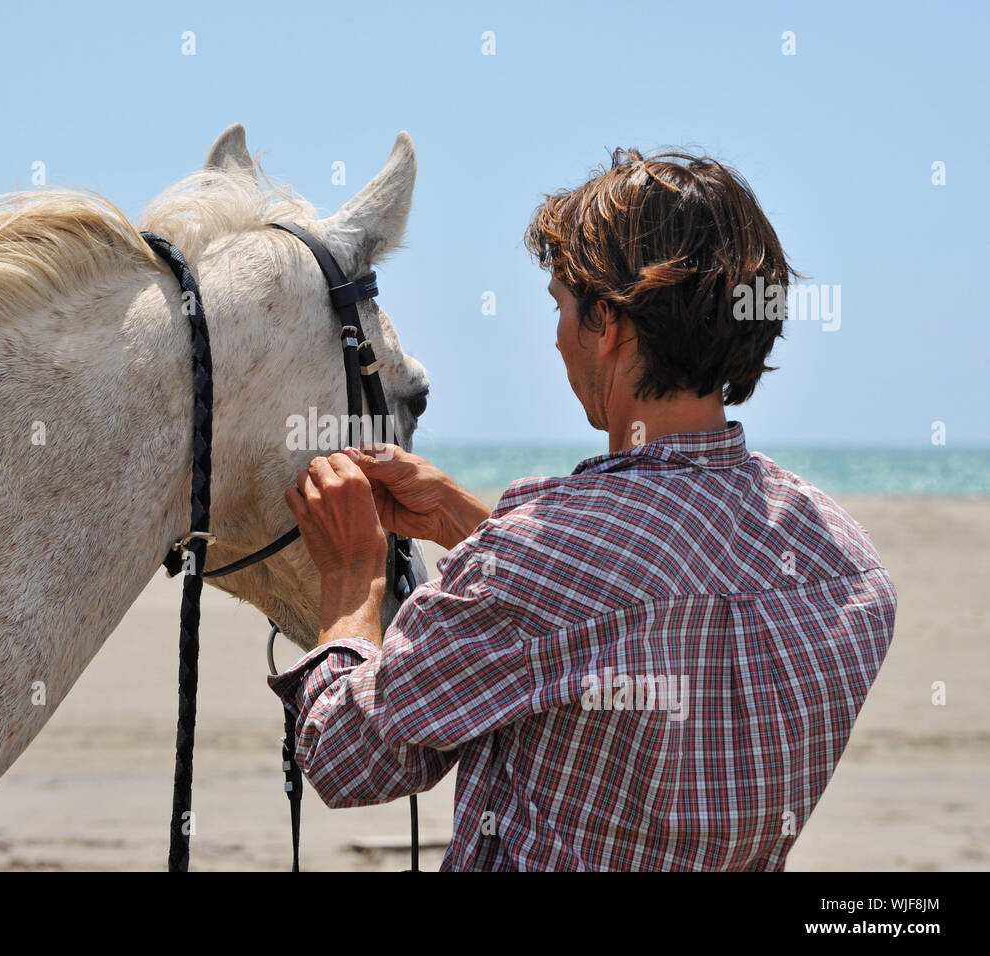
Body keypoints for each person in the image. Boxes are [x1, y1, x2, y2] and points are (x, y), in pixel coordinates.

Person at [270, 148, 898, 871]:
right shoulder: (847, 565)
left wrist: (353, 577)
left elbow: (351, 756)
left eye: (563, 308)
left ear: (610, 325)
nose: (558, 336)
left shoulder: (541, 559)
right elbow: (639, 598)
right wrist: (459, 519)